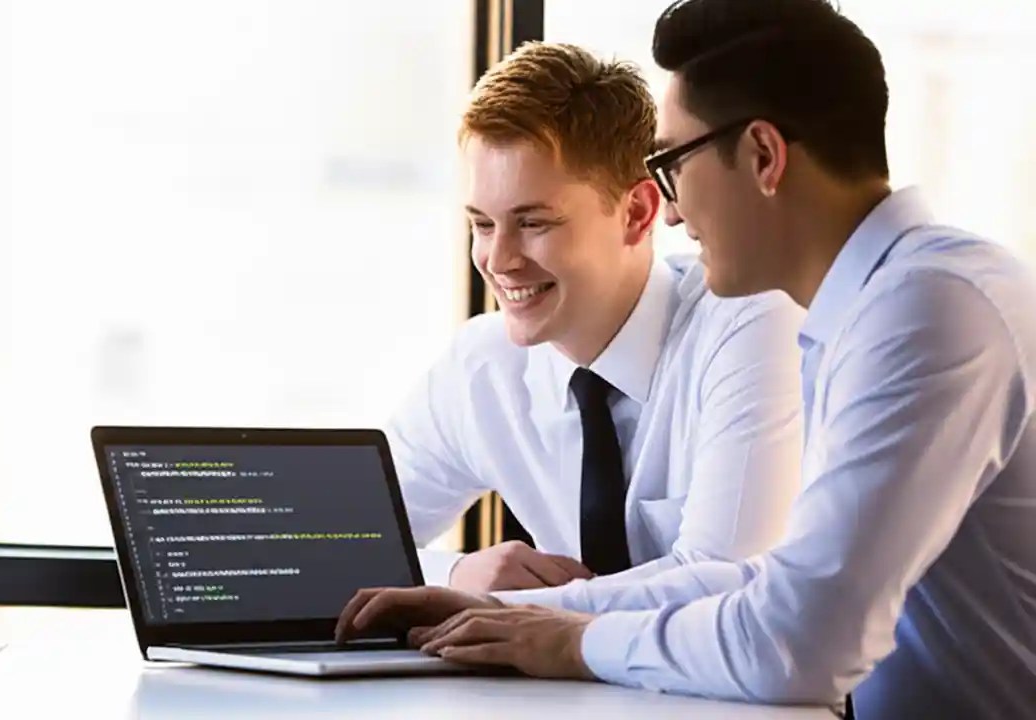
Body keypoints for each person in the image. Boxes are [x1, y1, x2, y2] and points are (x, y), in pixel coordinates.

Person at [337, 2, 1036, 718]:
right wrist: (483, 591)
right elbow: (784, 593)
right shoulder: (872, 309)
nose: (669, 213)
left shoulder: (924, 309)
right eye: (481, 223)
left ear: (763, 157)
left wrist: (563, 637)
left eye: (672, 164)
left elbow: (795, 636)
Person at [390, 41, 804, 595]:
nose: (498, 260)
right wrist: (459, 574)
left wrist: (524, 607)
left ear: (636, 213)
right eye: (482, 226)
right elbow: (323, 541)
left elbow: (720, 588)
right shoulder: (483, 366)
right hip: (558, 684)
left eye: (533, 223)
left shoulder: (749, 327)